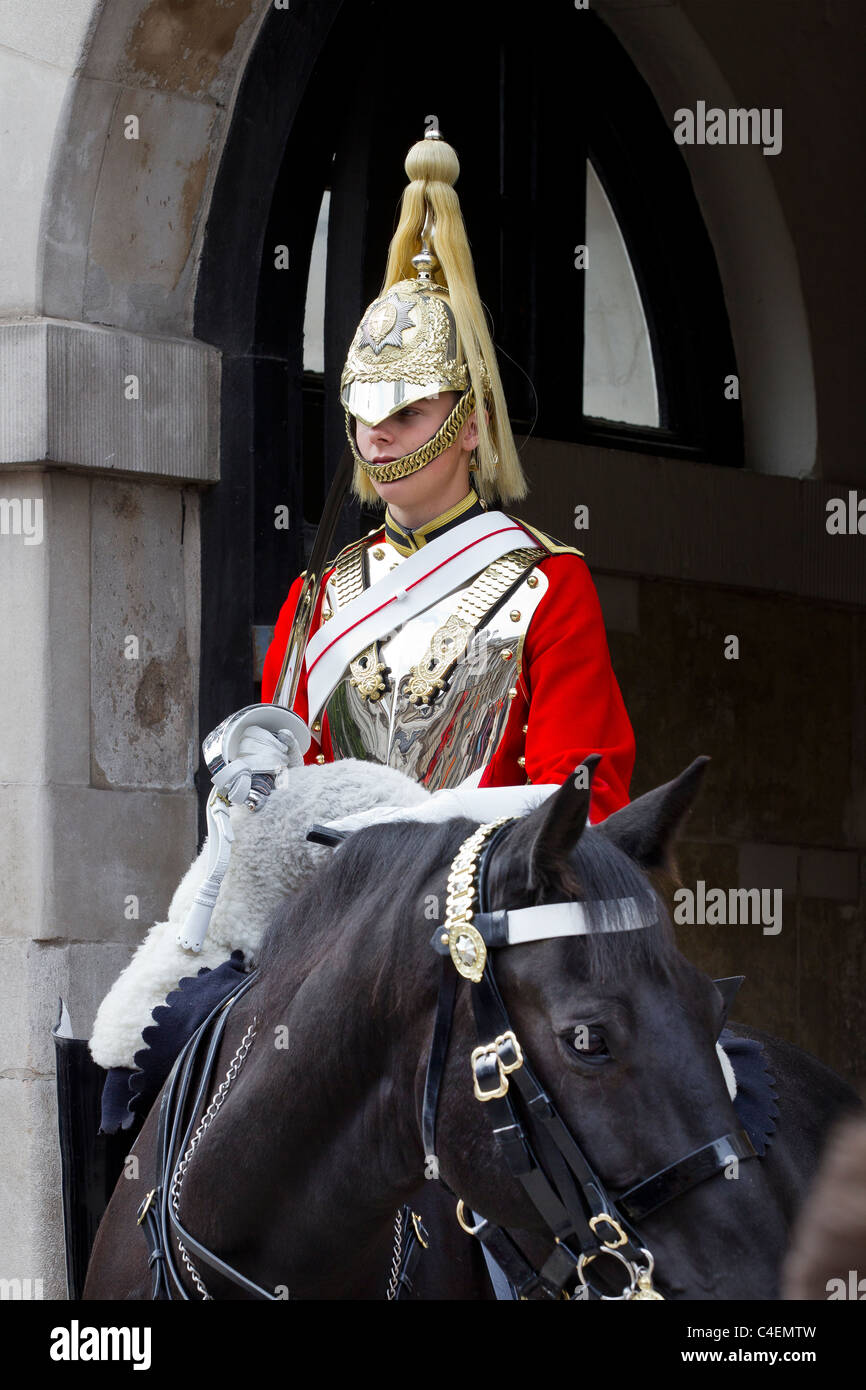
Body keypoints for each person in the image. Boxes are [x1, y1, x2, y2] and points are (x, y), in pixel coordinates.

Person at [260, 130, 635, 823]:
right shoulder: (317, 596)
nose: (380, 431)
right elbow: (283, 791)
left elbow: (583, 805)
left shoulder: (548, 586)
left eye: (409, 409)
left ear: (472, 424)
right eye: (366, 408)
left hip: (478, 908)